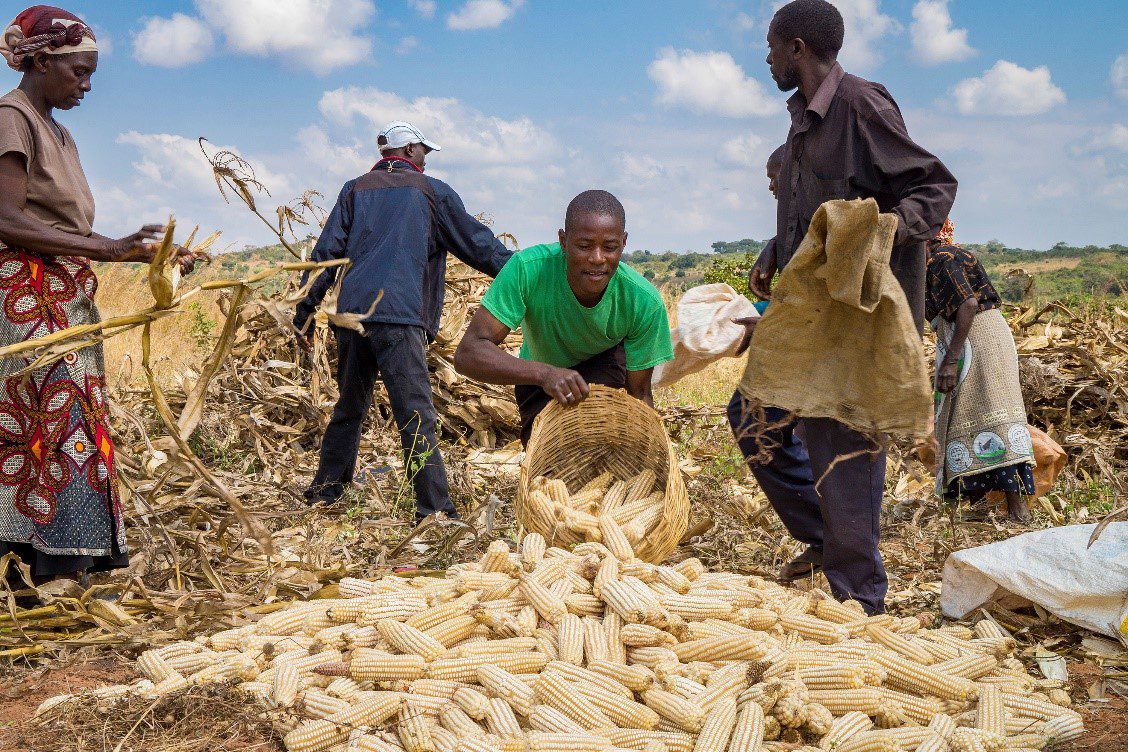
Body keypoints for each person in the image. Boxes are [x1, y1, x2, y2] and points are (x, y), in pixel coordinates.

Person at [730, 0, 957, 615]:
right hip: (808, 312)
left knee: (845, 453)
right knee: (753, 422)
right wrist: (776, 247)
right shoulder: (804, 119)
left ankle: (860, 601)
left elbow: (934, 186)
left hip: (856, 320)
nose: (768, 58)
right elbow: (821, 209)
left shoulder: (860, 105)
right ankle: (825, 540)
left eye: (773, 46)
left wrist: (880, 232)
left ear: (798, 45)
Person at [0, 5, 194, 584]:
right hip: (27, 297)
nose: (86, 85)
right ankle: (38, 563)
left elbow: (69, 229)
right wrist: (106, 249)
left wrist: (139, 252)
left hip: (61, 292)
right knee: (48, 426)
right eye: (78, 73)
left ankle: (62, 563)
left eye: (90, 74)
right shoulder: (13, 119)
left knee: (72, 423)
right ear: (39, 62)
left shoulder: (57, 128)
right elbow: (6, 219)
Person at [294, 121, 512, 521]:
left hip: (352, 318)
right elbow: (480, 247)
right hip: (400, 317)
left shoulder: (354, 189)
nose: (426, 159)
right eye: (424, 151)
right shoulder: (432, 193)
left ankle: (325, 494)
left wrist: (303, 312)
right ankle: (434, 511)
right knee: (414, 414)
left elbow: (325, 255)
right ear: (409, 150)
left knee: (349, 407)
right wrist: (526, 277)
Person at [454, 190, 673, 444]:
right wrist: (546, 374)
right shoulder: (527, 270)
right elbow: (468, 353)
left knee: (598, 446)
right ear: (563, 240)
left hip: (605, 373)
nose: (597, 259)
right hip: (539, 377)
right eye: (584, 246)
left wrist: (650, 451)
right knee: (544, 462)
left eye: (610, 248)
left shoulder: (643, 300)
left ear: (624, 243)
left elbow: (639, 392)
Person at [928, 220, 1034, 523]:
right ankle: (973, 501)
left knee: (993, 413)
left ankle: (1017, 508)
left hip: (976, 337)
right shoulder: (939, 259)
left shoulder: (943, 259)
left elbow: (968, 304)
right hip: (971, 336)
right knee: (963, 414)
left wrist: (951, 359)